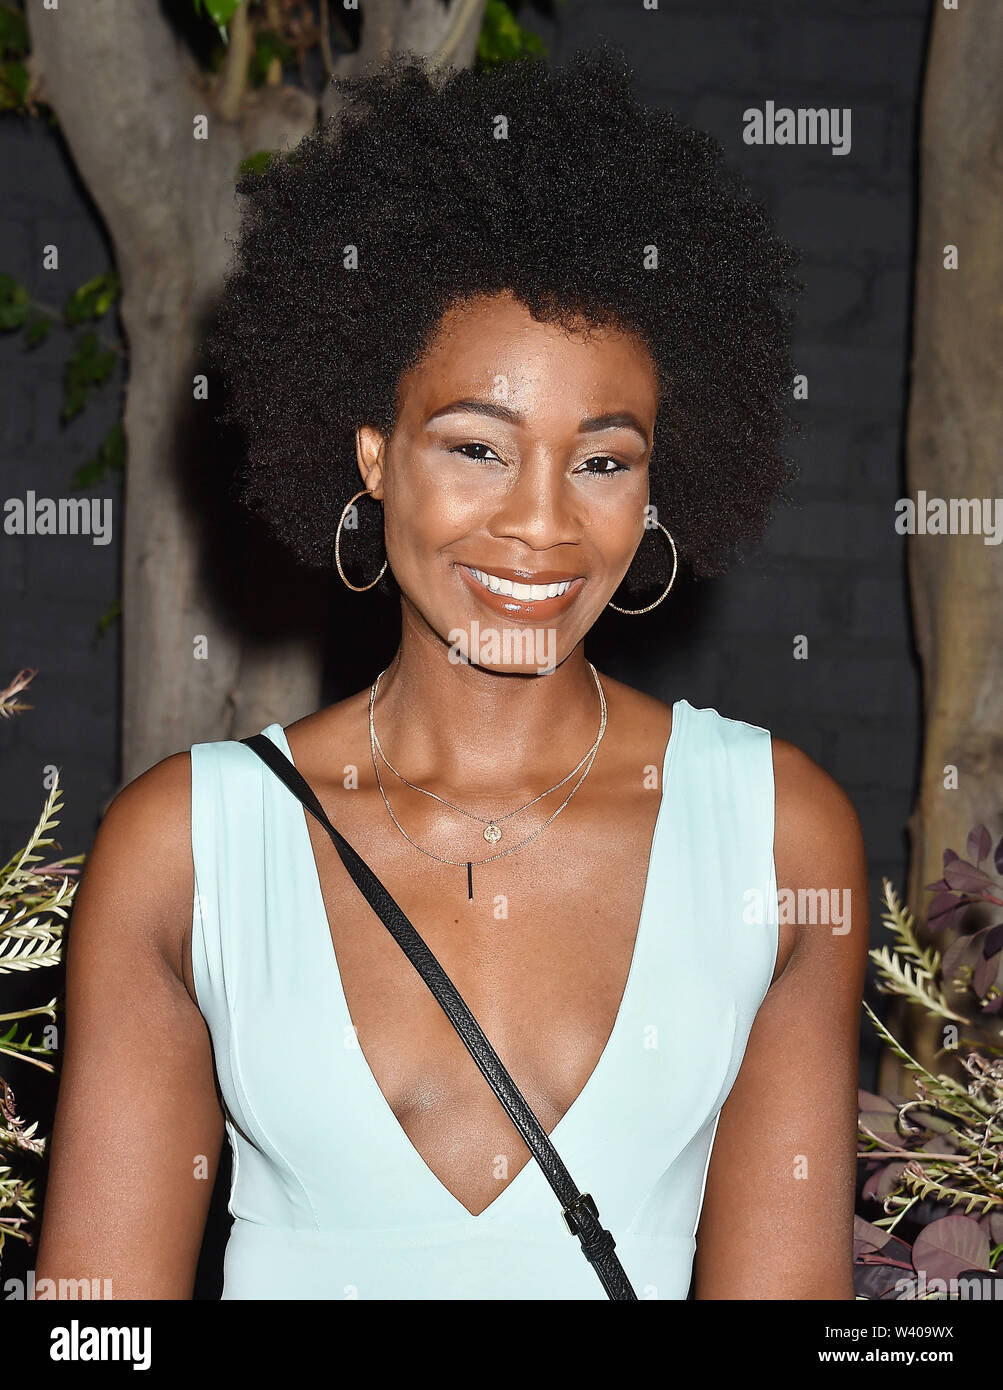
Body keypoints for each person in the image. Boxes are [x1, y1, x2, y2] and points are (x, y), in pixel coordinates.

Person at [36, 46, 868, 1300]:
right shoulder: (189, 847)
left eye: (602, 462)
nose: (539, 524)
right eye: (477, 446)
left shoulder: (774, 835)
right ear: (373, 456)